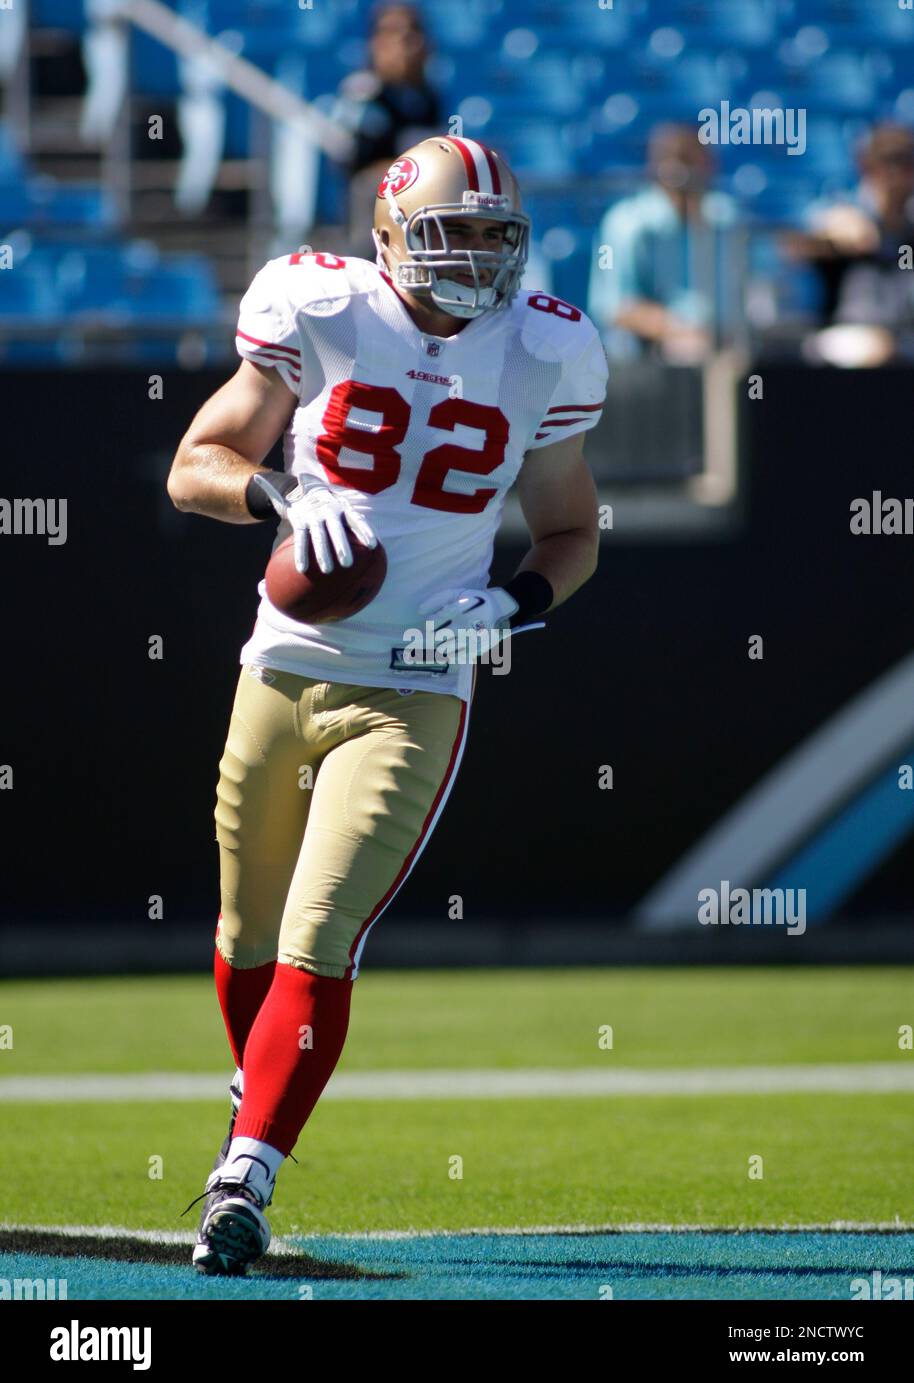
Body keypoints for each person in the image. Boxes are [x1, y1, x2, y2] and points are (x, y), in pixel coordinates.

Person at [166, 134, 608, 1276]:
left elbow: (570, 531)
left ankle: (246, 1171)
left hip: (414, 680)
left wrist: (513, 606)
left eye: (490, 236)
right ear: (386, 237)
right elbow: (195, 461)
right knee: (244, 935)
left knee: (322, 933)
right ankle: (253, 1109)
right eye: (447, 232)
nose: (470, 257)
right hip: (284, 659)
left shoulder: (545, 349)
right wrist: (276, 492)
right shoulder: (315, 306)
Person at [587, 123, 740, 362]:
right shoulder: (625, 222)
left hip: (727, 343)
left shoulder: (725, 217)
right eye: (679, 161)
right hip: (648, 355)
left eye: (694, 162)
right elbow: (615, 307)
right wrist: (680, 331)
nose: (686, 173)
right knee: (690, 352)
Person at [784, 123, 914, 366]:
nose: (898, 175)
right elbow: (795, 246)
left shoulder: (910, 225)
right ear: (867, 167)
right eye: (890, 162)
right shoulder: (844, 214)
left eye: (907, 164)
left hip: (904, 340)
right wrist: (836, 230)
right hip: (850, 337)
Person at [329, 3, 442, 257]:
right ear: (376, 43)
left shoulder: (429, 97)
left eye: (414, 32)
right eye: (393, 32)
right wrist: (412, 171)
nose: (407, 42)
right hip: (376, 211)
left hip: (423, 209)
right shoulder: (362, 94)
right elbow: (349, 160)